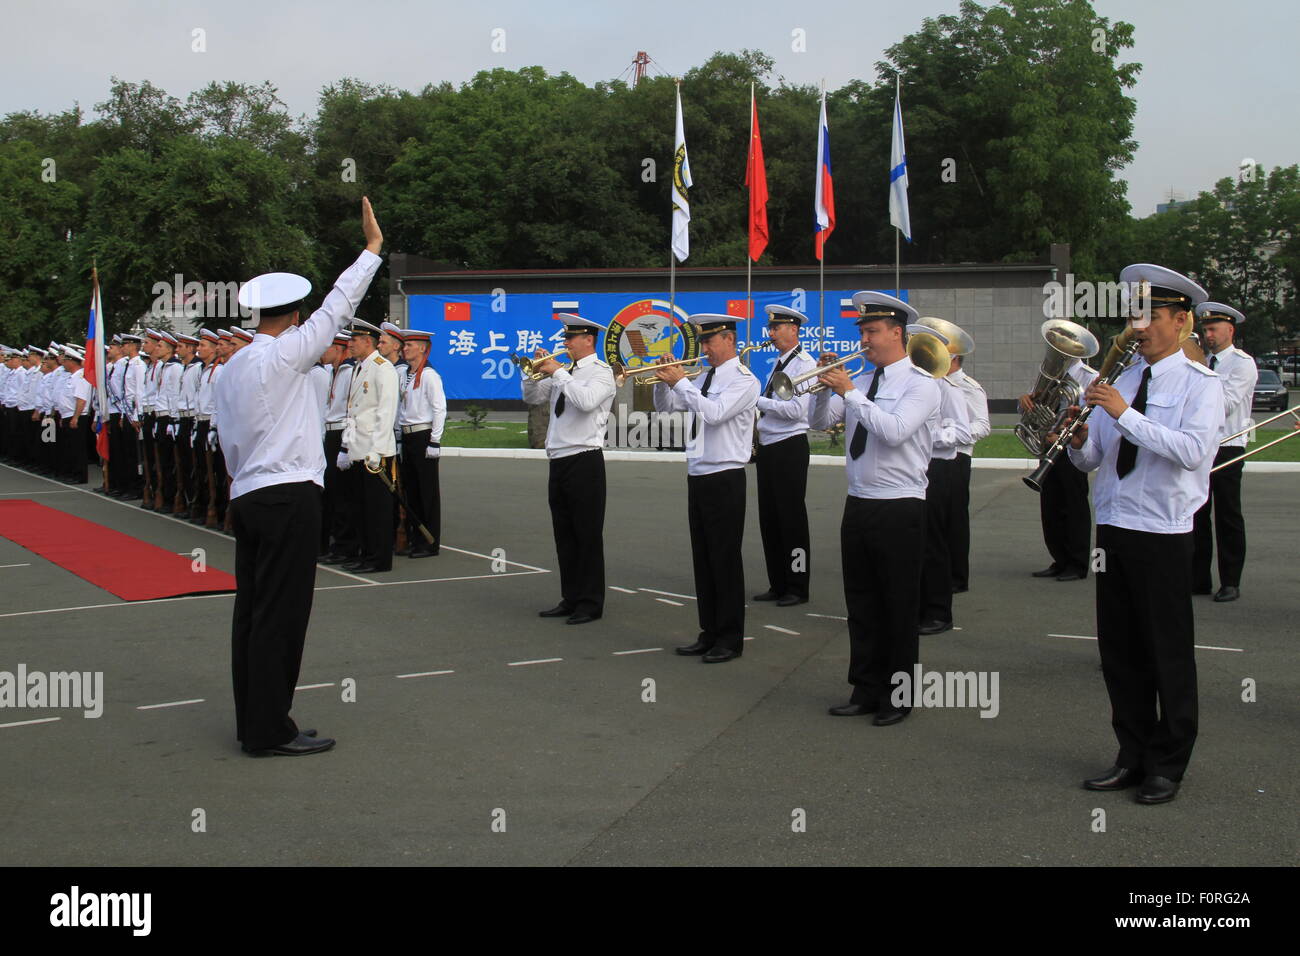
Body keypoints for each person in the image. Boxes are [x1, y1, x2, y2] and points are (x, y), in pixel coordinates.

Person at [216, 196, 384, 758]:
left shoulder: (233, 367)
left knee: (252, 612)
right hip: (288, 496)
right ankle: (268, 730)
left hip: (249, 494)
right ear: (291, 316)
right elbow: (338, 307)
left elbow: (228, 441)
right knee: (282, 618)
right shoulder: (286, 354)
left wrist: (240, 486)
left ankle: (257, 721)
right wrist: (371, 250)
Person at [1068, 263, 1223, 805]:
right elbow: (1098, 461)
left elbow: (1192, 452)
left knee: (1167, 652)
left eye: (1152, 316)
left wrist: (1124, 414)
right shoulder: (1125, 378)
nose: (1140, 327)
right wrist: (1080, 437)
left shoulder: (1202, 385)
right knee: (1121, 651)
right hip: (1113, 527)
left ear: (1181, 322)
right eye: (1136, 315)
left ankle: (1168, 762)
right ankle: (1130, 753)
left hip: (1163, 530)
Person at [812, 292, 941, 726]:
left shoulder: (922, 384)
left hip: (900, 506)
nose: (864, 340)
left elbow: (895, 431)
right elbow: (818, 422)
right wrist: (824, 384)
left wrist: (849, 392)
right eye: (862, 332)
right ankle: (865, 688)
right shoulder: (864, 382)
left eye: (871, 332)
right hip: (860, 502)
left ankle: (899, 696)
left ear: (897, 333)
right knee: (862, 603)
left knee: (898, 605)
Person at [653, 315, 759, 662]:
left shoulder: (745, 381)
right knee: (704, 558)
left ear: (729, 340)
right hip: (699, 473)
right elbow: (668, 407)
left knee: (724, 559)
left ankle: (729, 638)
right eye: (703, 343)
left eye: (711, 342)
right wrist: (662, 380)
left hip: (725, 475)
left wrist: (682, 382)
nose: (705, 350)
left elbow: (714, 414)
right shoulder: (703, 377)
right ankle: (709, 631)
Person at [524, 315, 616, 625]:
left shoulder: (601, 373)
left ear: (588, 340)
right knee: (564, 534)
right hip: (559, 458)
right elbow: (533, 397)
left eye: (571, 338)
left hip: (585, 459)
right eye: (566, 338)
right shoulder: (566, 373)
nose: (565, 344)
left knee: (586, 535)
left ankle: (590, 603)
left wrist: (560, 373)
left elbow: (587, 401)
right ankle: (571, 596)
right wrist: (531, 373)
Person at [1191, 302, 1256, 603]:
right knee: (1197, 513)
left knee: (1228, 515)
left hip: (1229, 445)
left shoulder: (1242, 363)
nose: (1208, 335)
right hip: (1203, 445)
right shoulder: (1203, 361)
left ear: (1230, 330)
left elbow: (1225, 404)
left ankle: (1231, 581)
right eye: (1205, 330)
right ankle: (1199, 577)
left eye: (1213, 329)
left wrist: (1201, 375)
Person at [752, 304, 817, 607]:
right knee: (770, 518)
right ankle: (777, 582)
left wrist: (759, 401)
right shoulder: (776, 365)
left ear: (794, 330)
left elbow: (795, 411)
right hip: (769, 447)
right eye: (771, 328)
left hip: (789, 445)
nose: (772, 333)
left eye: (778, 328)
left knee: (791, 518)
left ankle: (797, 583)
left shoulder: (804, 364)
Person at [1021, 355, 1097, 581]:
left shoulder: (1089, 377)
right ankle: (1060, 559)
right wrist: (1024, 402)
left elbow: (1093, 415)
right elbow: (1034, 408)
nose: (1060, 352)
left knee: (1073, 506)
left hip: (1072, 449)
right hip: (1047, 446)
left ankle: (1077, 563)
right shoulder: (1047, 375)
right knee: (1051, 507)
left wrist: (1065, 434)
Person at [918, 330, 972, 635]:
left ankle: (939, 612)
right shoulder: (908, 386)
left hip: (937, 468)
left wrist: (927, 436)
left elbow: (963, 433)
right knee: (915, 543)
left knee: (933, 543)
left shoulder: (946, 388)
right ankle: (918, 606)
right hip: (911, 469)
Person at [337, 318, 399, 574]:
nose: (350, 345)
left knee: (377, 510)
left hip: (376, 452)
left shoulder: (382, 368)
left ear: (367, 342)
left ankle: (379, 558)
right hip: (358, 448)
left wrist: (377, 450)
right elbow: (354, 411)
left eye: (354, 340)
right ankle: (365, 553)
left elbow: (385, 412)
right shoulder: (359, 367)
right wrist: (346, 447)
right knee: (360, 508)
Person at [396, 329, 447, 560]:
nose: (404, 349)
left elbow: (439, 408)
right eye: (404, 345)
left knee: (427, 492)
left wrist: (435, 440)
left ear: (423, 348)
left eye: (409, 345)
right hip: (408, 437)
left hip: (423, 436)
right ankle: (416, 537)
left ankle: (430, 541)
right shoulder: (407, 374)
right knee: (412, 492)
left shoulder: (428, 375)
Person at [946, 352, 990, 592]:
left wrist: (951, 435)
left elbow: (983, 426)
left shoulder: (968, 387)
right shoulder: (931, 384)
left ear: (953, 357)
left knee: (955, 519)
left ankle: (957, 577)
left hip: (957, 457)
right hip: (934, 459)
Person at [319, 332, 357, 562]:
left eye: (326, 347)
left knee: (344, 494)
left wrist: (345, 445)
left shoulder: (349, 371)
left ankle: (346, 545)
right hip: (330, 431)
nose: (322, 352)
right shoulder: (334, 371)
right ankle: (336, 541)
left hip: (342, 431)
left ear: (338, 348)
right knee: (332, 491)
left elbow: (351, 409)